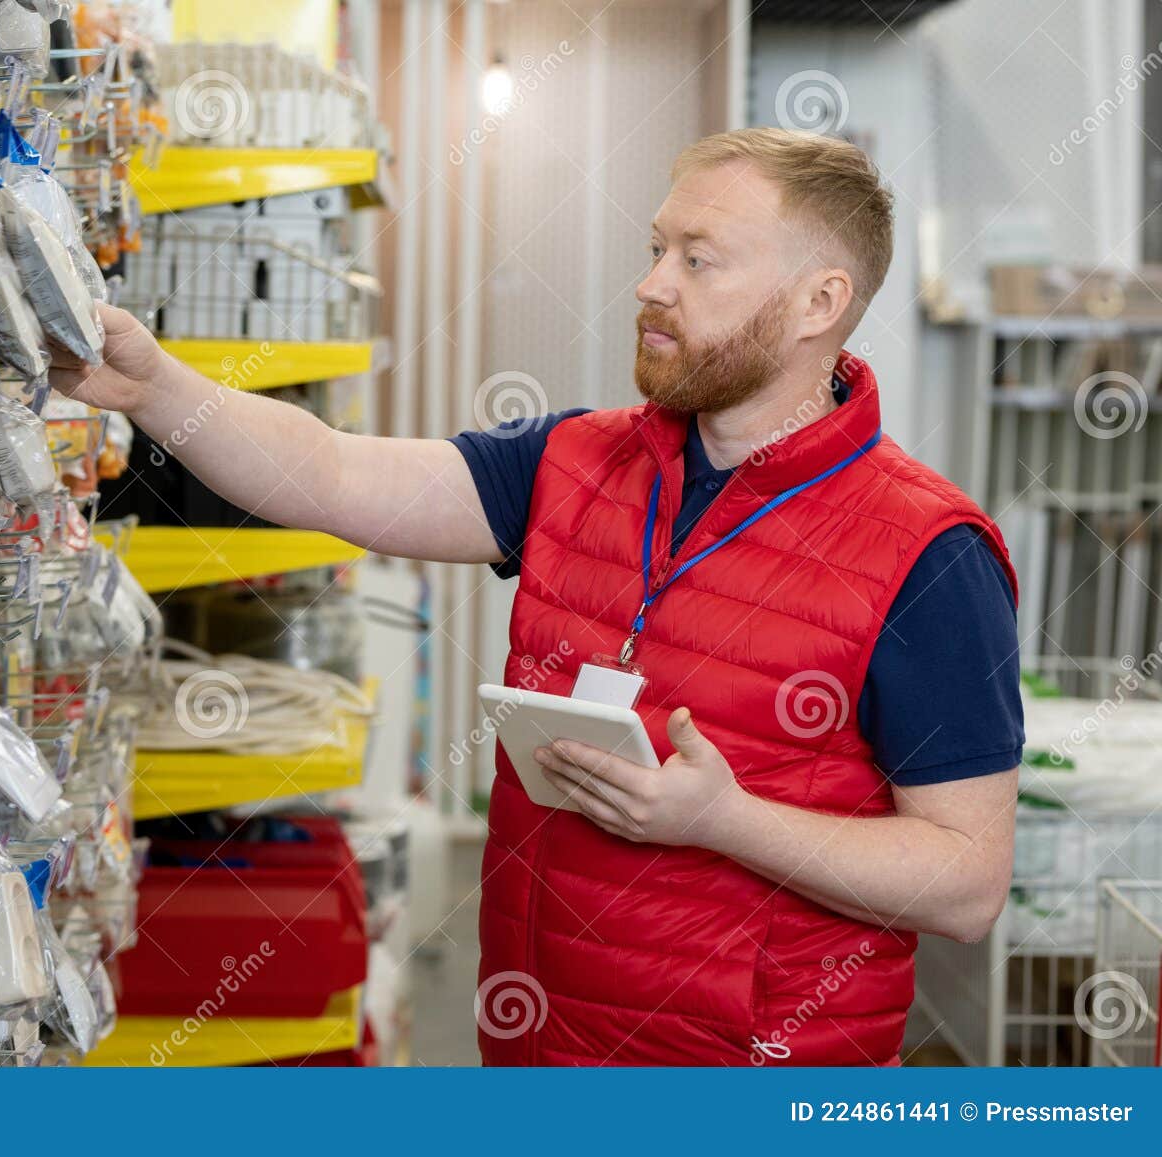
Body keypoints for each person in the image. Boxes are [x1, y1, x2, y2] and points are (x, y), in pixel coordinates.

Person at [53, 127, 1023, 1067]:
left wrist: (728, 819)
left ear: (818, 302)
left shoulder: (926, 553)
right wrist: (157, 389)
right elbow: (333, 475)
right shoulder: (573, 459)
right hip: (538, 1050)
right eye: (655, 249)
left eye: (699, 259)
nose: (651, 283)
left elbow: (965, 883)